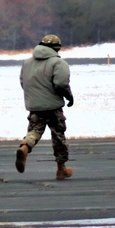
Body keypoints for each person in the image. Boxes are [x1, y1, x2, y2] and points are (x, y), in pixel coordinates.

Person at [15, 34, 75, 180]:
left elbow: (23, 82)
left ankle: (24, 147)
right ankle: (61, 169)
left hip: (35, 106)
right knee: (58, 135)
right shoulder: (58, 63)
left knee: (35, 130)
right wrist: (69, 96)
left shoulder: (27, 63)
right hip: (53, 106)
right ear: (57, 48)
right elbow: (61, 84)